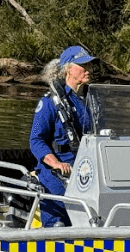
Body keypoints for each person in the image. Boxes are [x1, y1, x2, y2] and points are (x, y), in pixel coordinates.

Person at [29, 45, 96, 227]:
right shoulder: (49, 102)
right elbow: (36, 141)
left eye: (90, 65)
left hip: (87, 169)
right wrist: (56, 163)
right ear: (68, 69)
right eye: (84, 65)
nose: (89, 69)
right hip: (58, 173)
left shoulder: (93, 101)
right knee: (59, 220)